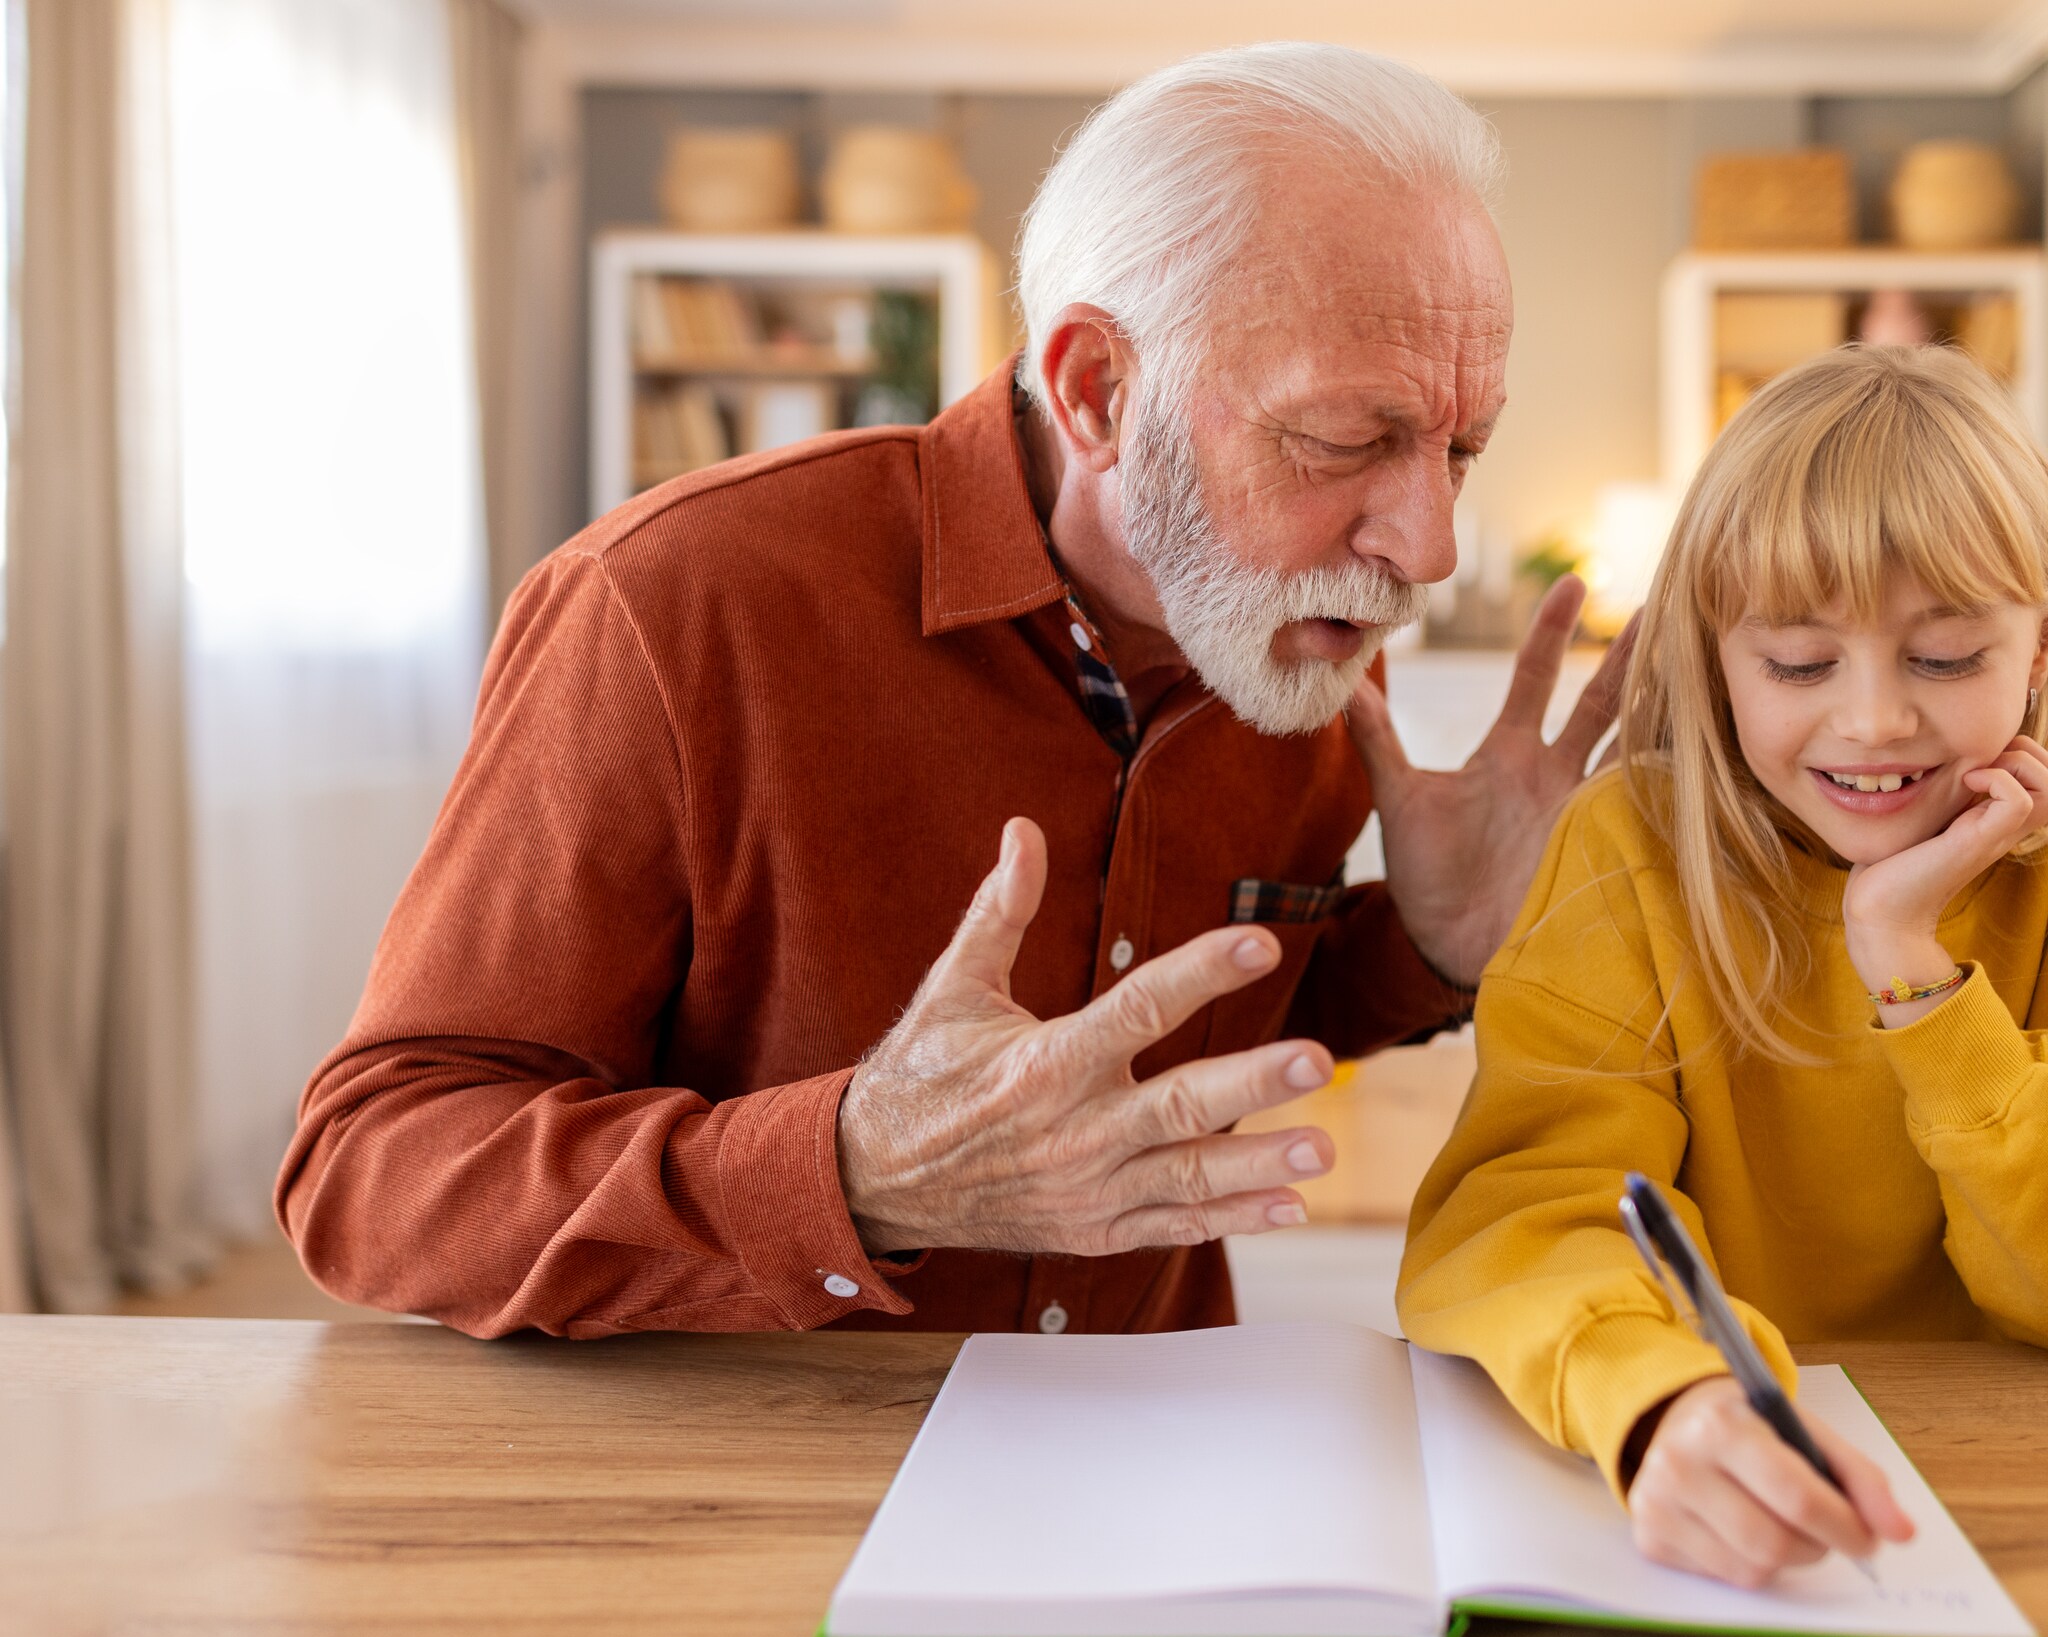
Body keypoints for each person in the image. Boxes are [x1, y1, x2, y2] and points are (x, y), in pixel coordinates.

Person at [279, 43, 1622, 1339]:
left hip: (1149, 1453)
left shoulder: (1299, 628)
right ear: (1098, 391)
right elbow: (370, 1178)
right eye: (1347, 440)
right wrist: (852, 1171)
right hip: (749, 1504)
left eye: (1460, 447)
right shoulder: (673, 603)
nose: (1428, 545)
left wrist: (1429, 951)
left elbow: (1173, 1026)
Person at [1398, 344, 2048, 1588]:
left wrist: (1908, 969)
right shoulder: (1626, 851)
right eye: (1798, 663)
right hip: (1717, 1511)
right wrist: (1654, 1396)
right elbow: (1517, 1215)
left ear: (2034, 654)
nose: (1869, 721)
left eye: (1947, 656)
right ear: (1713, 654)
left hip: (1999, 1507)